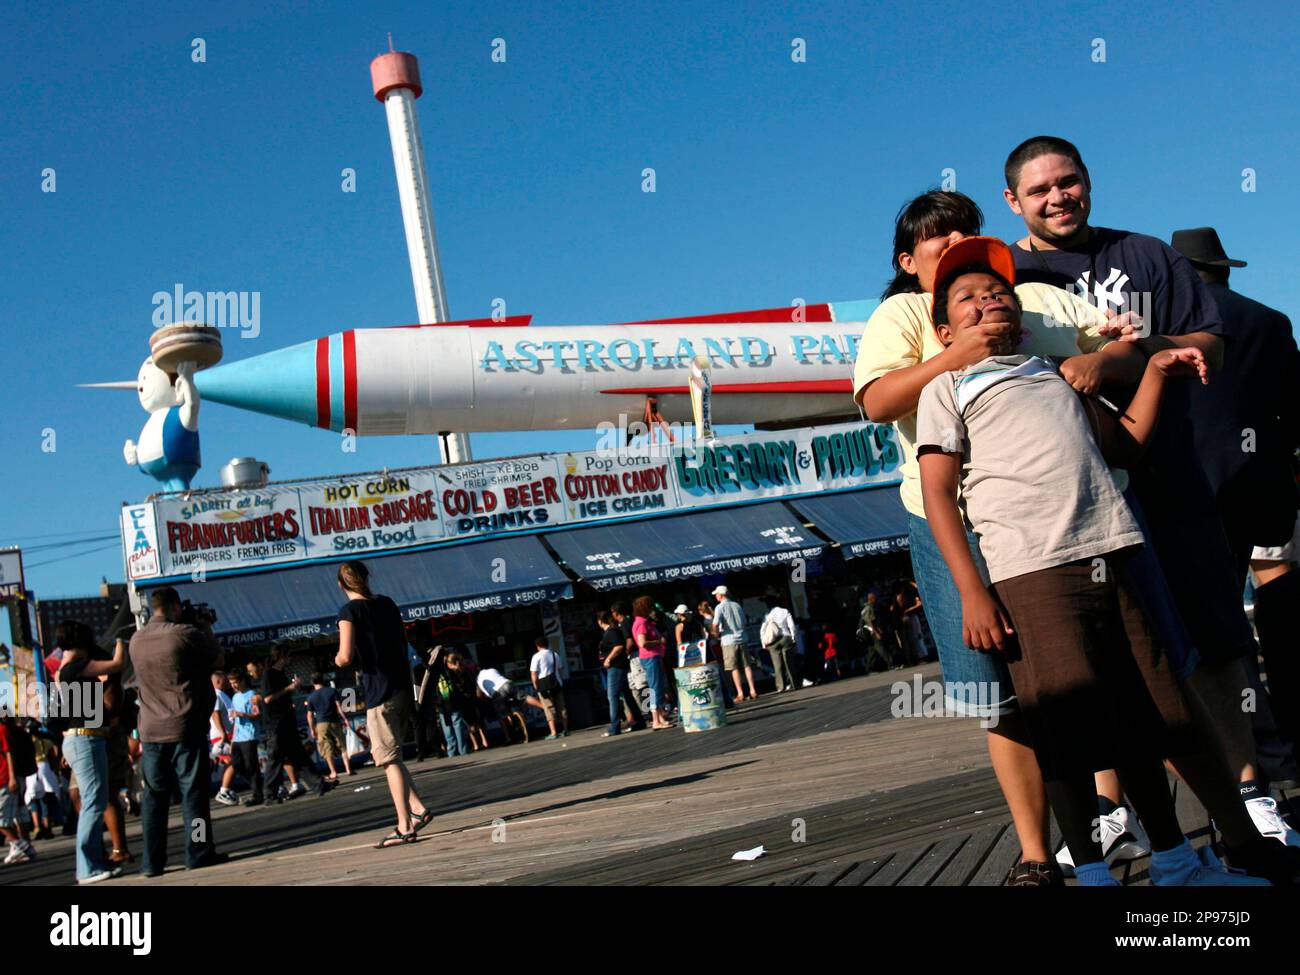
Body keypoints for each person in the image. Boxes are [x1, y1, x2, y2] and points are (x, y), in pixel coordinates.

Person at [916, 236, 1273, 886]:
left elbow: (1129, 445)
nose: (989, 299)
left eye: (998, 292)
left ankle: (1175, 857)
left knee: (1160, 710)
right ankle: (1090, 871)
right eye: (969, 298)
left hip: (1121, 553)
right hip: (1034, 572)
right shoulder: (947, 390)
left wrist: (1157, 373)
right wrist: (972, 590)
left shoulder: (1056, 372)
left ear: (1021, 316)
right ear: (943, 329)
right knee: (1064, 722)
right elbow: (939, 493)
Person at [1004, 136, 1300, 839]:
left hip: (1168, 476)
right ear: (1013, 200)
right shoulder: (1000, 271)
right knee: (1096, 662)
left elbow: (1214, 344)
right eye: (1040, 189)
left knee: (1215, 642)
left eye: (1068, 182)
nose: (1058, 197)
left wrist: (1123, 354)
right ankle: (1116, 812)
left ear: (1088, 182)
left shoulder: (1144, 254)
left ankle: (1249, 791)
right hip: (1061, 497)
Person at [854, 188, 1145, 885]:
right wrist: (954, 356)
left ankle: (1110, 810)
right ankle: (1036, 851)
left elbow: (1126, 349)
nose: (955, 244)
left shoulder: (1039, 299)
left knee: (1090, 669)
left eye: (967, 231)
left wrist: (1109, 355)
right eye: (937, 239)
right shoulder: (900, 313)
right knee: (998, 695)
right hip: (955, 525)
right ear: (907, 260)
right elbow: (874, 400)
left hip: (1063, 521)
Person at [128, 590, 226, 878]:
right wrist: (205, 626)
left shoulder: (136, 640)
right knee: (193, 795)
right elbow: (217, 659)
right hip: (184, 727)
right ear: (173, 606)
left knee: (154, 799)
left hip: (150, 731)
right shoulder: (184, 633)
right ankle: (198, 853)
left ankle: (151, 862)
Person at [335, 560, 432, 848]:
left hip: (379, 691)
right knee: (394, 756)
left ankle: (404, 826)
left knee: (388, 760)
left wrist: (337, 660)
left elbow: (346, 656)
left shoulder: (349, 611)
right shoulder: (387, 603)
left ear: (341, 585)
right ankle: (419, 809)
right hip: (402, 686)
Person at [56, 620, 127, 883]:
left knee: (92, 801)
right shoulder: (76, 668)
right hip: (86, 739)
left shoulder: (65, 670)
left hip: (83, 739)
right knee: (93, 802)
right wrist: (122, 641)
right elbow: (117, 664)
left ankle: (95, 863)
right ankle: (87, 867)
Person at [248, 646, 332, 802]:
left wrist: (291, 689)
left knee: (298, 754)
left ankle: (318, 784)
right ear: (281, 657)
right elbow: (267, 698)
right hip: (276, 723)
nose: (290, 659)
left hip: (286, 720)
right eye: (287, 656)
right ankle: (269, 794)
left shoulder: (280, 674)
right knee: (275, 758)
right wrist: (289, 688)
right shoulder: (269, 674)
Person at [597, 610, 646, 738]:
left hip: (616, 667)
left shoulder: (611, 632)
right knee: (627, 694)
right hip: (618, 667)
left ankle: (614, 726)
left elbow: (618, 646)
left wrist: (608, 659)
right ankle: (639, 720)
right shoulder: (611, 631)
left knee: (612, 696)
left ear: (600, 622)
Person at [629, 597, 671, 729]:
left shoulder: (643, 622)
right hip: (651, 657)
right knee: (655, 687)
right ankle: (656, 720)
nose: (652, 610)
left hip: (652, 657)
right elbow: (642, 643)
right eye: (650, 607)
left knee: (656, 686)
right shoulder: (641, 623)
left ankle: (659, 718)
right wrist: (659, 641)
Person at [1, 716, 38, 865]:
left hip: (8, 777)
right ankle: (21, 846)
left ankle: (22, 845)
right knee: (19, 813)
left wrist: (11, 777)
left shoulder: (3, 730)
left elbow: (8, 753)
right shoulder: (15, 730)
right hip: (18, 775)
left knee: (5, 818)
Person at [226, 669, 265, 806]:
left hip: (249, 735)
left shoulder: (251, 695)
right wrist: (232, 739)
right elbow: (234, 717)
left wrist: (243, 715)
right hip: (237, 736)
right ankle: (260, 785)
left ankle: (258, 795)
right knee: (236, 764)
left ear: (242, 681)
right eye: (231, 683)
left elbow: (257, 715)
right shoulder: (235, 697)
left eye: (235, 683)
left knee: (251, 766)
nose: (233, 686)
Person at [713, 586, 757, 702]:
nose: (715, 596)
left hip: (728, 640)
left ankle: (740, 692)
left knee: (734, 668)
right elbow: (744, 622)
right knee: (747, 665)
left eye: (716, 594)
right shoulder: (737, 605)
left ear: (721, 595)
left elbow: (715, 624)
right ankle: (753, 690)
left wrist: (716, 634)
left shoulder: (719, 607)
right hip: (742, 638)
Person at [306, 674, 354, 779]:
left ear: (312, 683)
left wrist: (312, 729)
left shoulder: (310, 697)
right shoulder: (332, 691)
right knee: (342, 745)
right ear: (322, 680)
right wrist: (345, 719)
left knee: (327, 748)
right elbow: (339, 707)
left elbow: (309, 716)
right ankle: (348, 769)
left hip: (321, 724)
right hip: (335, 721)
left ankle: (333, 772)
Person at [444, 654, 490, 751]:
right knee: (478, 721)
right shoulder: (466, 669)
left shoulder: (452, 673)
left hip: (462, 700)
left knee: (468, 724)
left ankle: (475, 744)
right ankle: (484, 741)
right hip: (472, 698)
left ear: (449, 663)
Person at [530, 637, 570, 739]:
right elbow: (560, 669)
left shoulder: (536, 656)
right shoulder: (554, 654)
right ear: (547, 644)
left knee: (549, 708)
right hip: (557, 684)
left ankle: (553, 732)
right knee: (561, 707)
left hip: (544, 686)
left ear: (538, 646)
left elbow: (534, 674)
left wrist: (536, 687)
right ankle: (565, 730)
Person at [760, 597, 797, 692]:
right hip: (786, 637)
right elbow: (791, 625)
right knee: (789, 662)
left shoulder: (768, 615)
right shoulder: (785, 611)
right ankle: (795, 683)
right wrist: (793, 637)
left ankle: (781, 687)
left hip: (773, 641)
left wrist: (764, 643)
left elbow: (763, 630)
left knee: (777, 665)